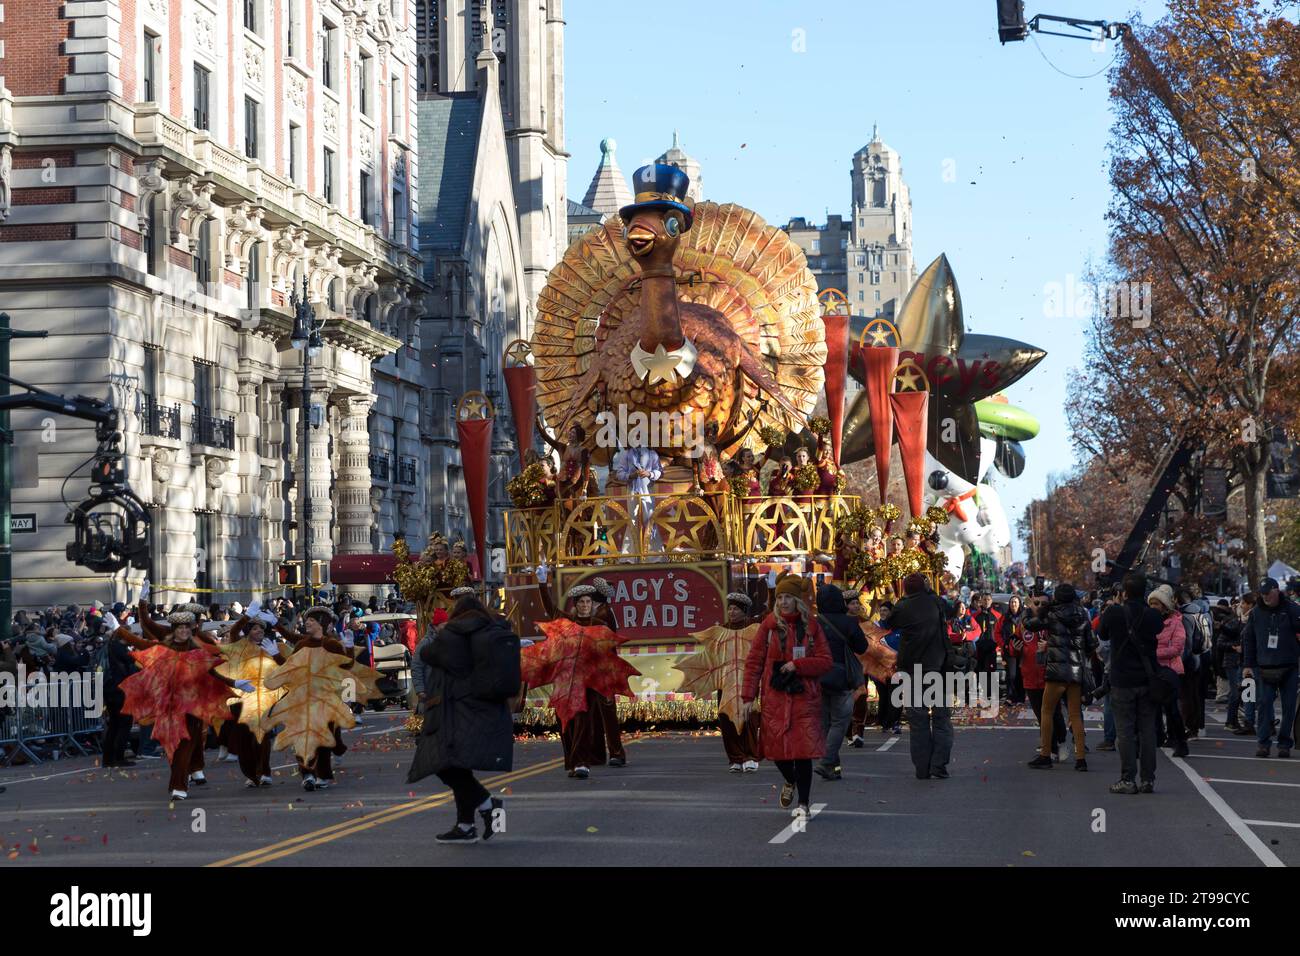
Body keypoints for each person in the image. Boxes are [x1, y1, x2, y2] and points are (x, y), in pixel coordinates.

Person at [407, 595, 517, 844]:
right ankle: (465, 825)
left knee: (445, 766)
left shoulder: (454, 636)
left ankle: (489, 804)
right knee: (458, 766)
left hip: (457, 710)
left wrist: (442, 633)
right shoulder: (493, 631)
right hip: (488, 710)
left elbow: (428, 654)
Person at [740, 575, 832, 819]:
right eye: (779, 597)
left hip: (805, 700)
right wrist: (748, 697)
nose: (783, 602)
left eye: (788, 597)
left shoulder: (812, 627)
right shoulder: (768, 627)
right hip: (775, 699)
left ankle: (803, 804)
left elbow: (825, 661)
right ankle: (789, 780)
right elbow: (753, 664)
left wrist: (797, 665)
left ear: (797, 600)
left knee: (802, 753)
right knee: (777, 753)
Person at [679, 593, 762, 772]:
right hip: (725, 682)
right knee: (727, 718)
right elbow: (710, 657)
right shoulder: (721, 631)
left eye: (736, 609)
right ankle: (735, 758)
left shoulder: (754, 629)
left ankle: (751, 756)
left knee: (750, 717)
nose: (732, 612)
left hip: (748, 681)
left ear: (744, 611)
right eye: (730, 609)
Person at [1099, 573, 1165, 794]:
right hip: (1147, 679)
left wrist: (1116, 605)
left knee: (1125, 732)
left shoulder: (1114, 612)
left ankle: (1128, 778)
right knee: (1148, 730)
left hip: (1121, 679)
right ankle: (1148, 779)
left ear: (1123, 592)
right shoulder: (1153, 615)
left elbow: (1102, 633)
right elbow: (1158, 629)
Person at [1025, 584, 1097, 771]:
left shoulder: (1052, 614)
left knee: (1046, 711)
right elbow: (1091, 643)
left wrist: (1032, 609)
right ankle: (1081, 759)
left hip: (1057, 670)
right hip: (1075, 671)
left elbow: (1030, 626)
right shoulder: (1082, 614)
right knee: (1075, 714)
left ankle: (1046, 754)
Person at [892, 573, 952, 780]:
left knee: (917, 721)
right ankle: (938, 765)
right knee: (941, 719)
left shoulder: (902, 607)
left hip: (911, 671)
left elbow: (889, 620)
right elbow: (951, 610)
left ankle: (921, 768)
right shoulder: (936, 602)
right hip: (936, 669)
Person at [813, 583, 867, 781]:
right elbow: (862, 647)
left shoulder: (813, 623)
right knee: (840, 721)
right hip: (840, 677)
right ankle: (827, 760)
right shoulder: (848, 622)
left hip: (817, 676)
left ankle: (832, 767)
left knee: (825, 722)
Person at [1242, 577, 1300, 759]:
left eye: (1268, 592)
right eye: (1262, 593)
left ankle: (1284, 743)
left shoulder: (1292, 609)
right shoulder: (1256, 612)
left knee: (1289, 707)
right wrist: (1247, 665)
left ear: (1277, 590)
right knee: (1264, 705)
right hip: (1264, 666)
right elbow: (1248, 639)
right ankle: (1263, 742)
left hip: (1289, 665)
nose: (1265, 596)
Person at [1148, 584, 1190, 759]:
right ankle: (1159, 736)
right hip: (1153, 669)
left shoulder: (1176, 623)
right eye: (1151, 604)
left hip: (1170, 670)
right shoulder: (1148, 621)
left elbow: (1177, 648)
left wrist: (1153, 653)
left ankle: (1180, 741)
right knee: (1153, 707)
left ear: (1164, 606)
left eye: (1156, 604)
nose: (1153, 608)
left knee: (1171, 709)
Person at [999, 594, 1028, 705]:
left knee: (1020, 674)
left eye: (1015, 602)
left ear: (1019, 604)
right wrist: (1003, 644)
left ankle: (1021, 697)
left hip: (1023, 650)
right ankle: (1011, 697)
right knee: (1011, 674)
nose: (1013, 604)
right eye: (1011, 602)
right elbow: (996, 633)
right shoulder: (1004, 617)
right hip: (1009, 651)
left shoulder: (1025, 617)